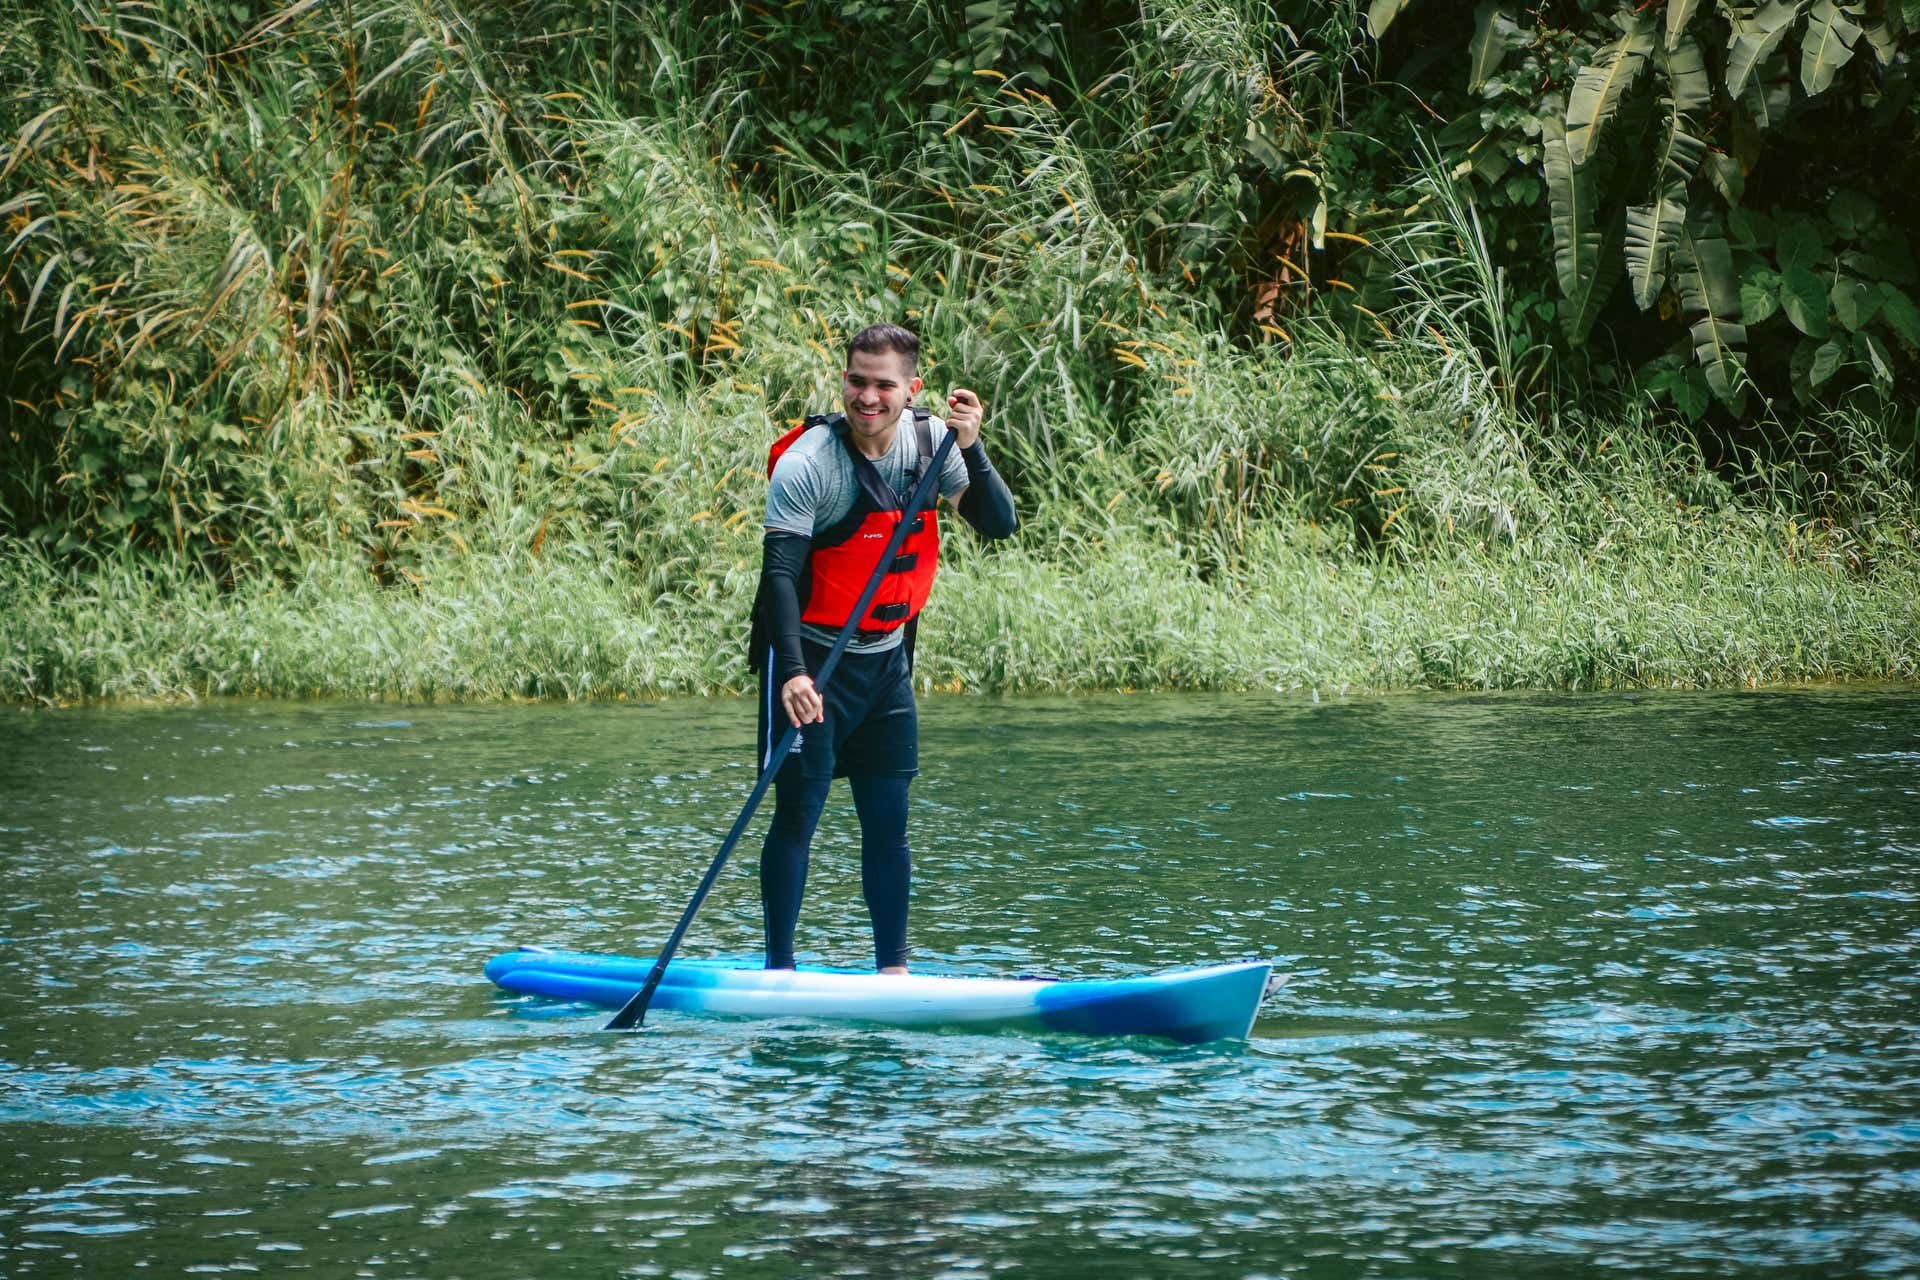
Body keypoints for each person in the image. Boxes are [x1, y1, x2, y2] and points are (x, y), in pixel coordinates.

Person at [749, 322, 1018, 974]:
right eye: (856, 381)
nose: (867, 397)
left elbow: (998, 522)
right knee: (797, 814)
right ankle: (779, 971)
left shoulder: (931, 444)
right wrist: (790, 673)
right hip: (811, 661)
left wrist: (973, 448)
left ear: (911, 389)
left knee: (887, 823)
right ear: (844, 380)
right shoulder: (809, 464)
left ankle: (893, 972)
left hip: (885, 664)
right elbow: (780, 575)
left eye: (883, 385)